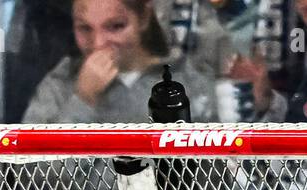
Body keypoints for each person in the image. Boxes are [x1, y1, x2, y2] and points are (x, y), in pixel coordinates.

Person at [22, 0, 215, 124]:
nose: (98, 44)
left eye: (115, 26)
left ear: (144, 18)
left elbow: (214, 174)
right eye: (85, 28)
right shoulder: (60, 84)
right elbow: (34, 176)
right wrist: (83, 99)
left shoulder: (185, 82)